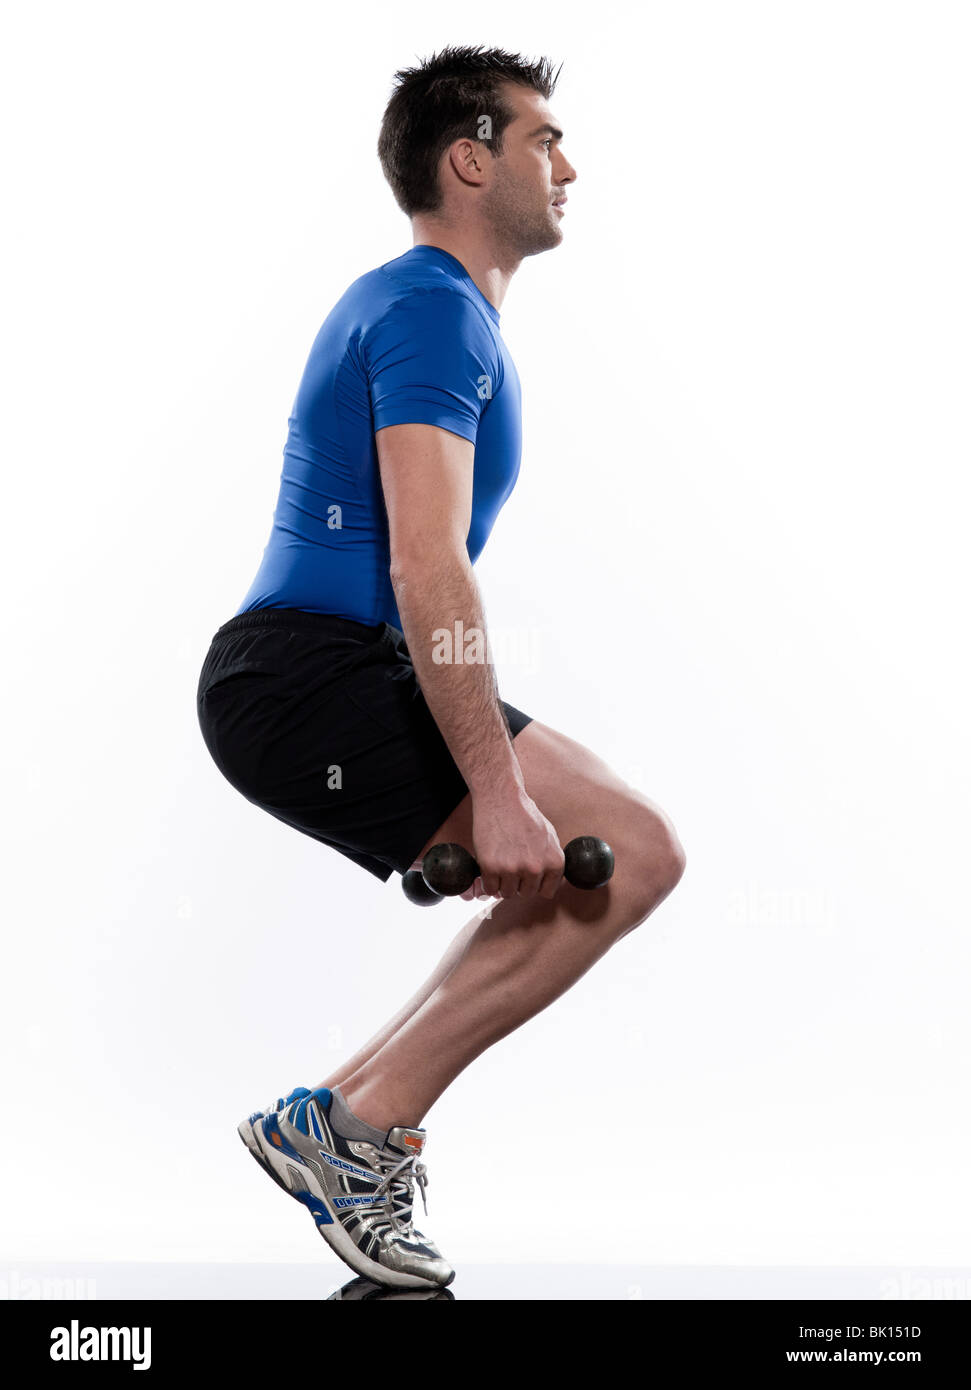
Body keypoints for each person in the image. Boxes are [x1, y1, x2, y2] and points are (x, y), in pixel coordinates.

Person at [196, 44, 686, 1293]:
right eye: (541, 141)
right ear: (468, 160)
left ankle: (343, 1114)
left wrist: (502, 786)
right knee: (622, 848)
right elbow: (428, 568)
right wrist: (499, 786)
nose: (567, 167)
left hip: (328, 665)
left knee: (623, 850)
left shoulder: (436, 309)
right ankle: (353, 1133)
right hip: (306, 672)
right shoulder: (427, 309)